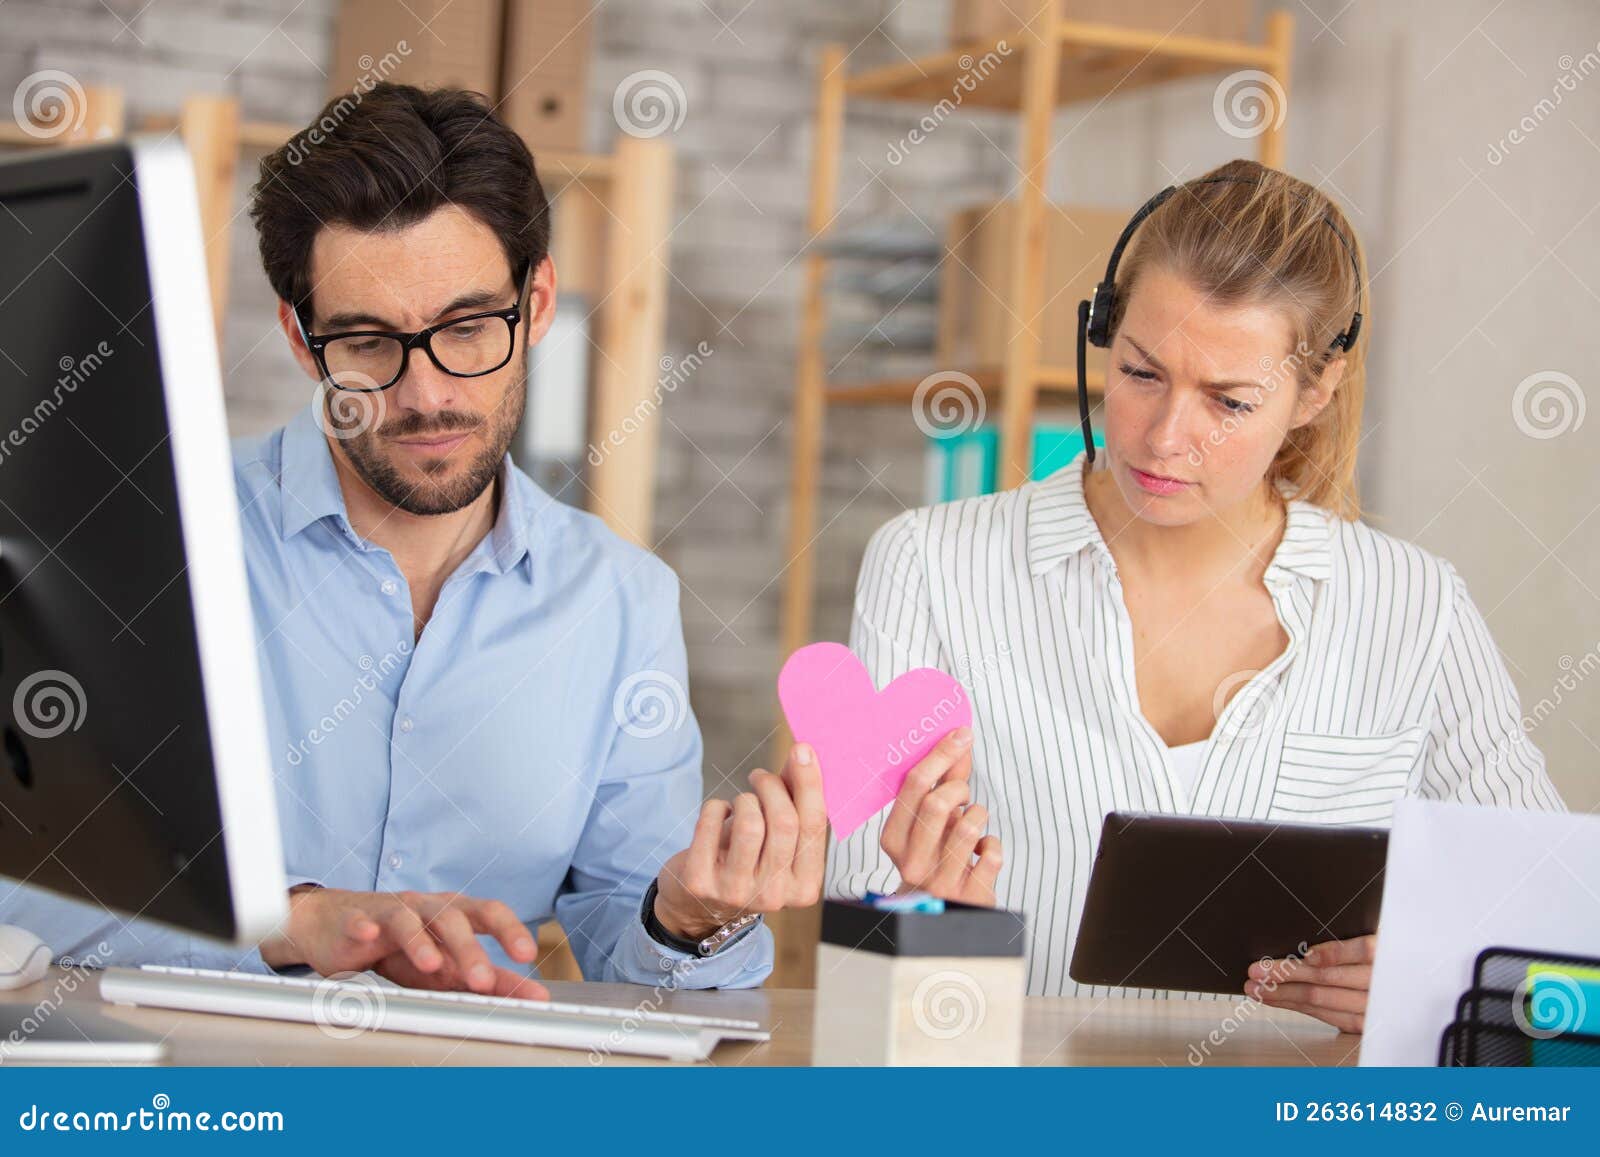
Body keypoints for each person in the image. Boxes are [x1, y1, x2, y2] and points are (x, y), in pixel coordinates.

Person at [0, 83, 825, 996]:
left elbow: (632, 948)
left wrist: (689, 918)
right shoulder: (143, 542)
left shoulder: (619, 601)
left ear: (539, 301)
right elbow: (21, 886)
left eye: (469, 328)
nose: (427, 395)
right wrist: (293, 917)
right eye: (366, 341)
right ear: (301, 338)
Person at [826, 159, 1565, 1032]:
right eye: (1142, 373)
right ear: (1101, 333)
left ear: (1314, 394)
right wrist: (928, 919)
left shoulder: (1413, 606)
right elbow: (851, 896)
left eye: (1229, 400)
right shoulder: (928, 566)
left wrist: (1431, 975)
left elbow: (1546, 907)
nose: (1167, 436)